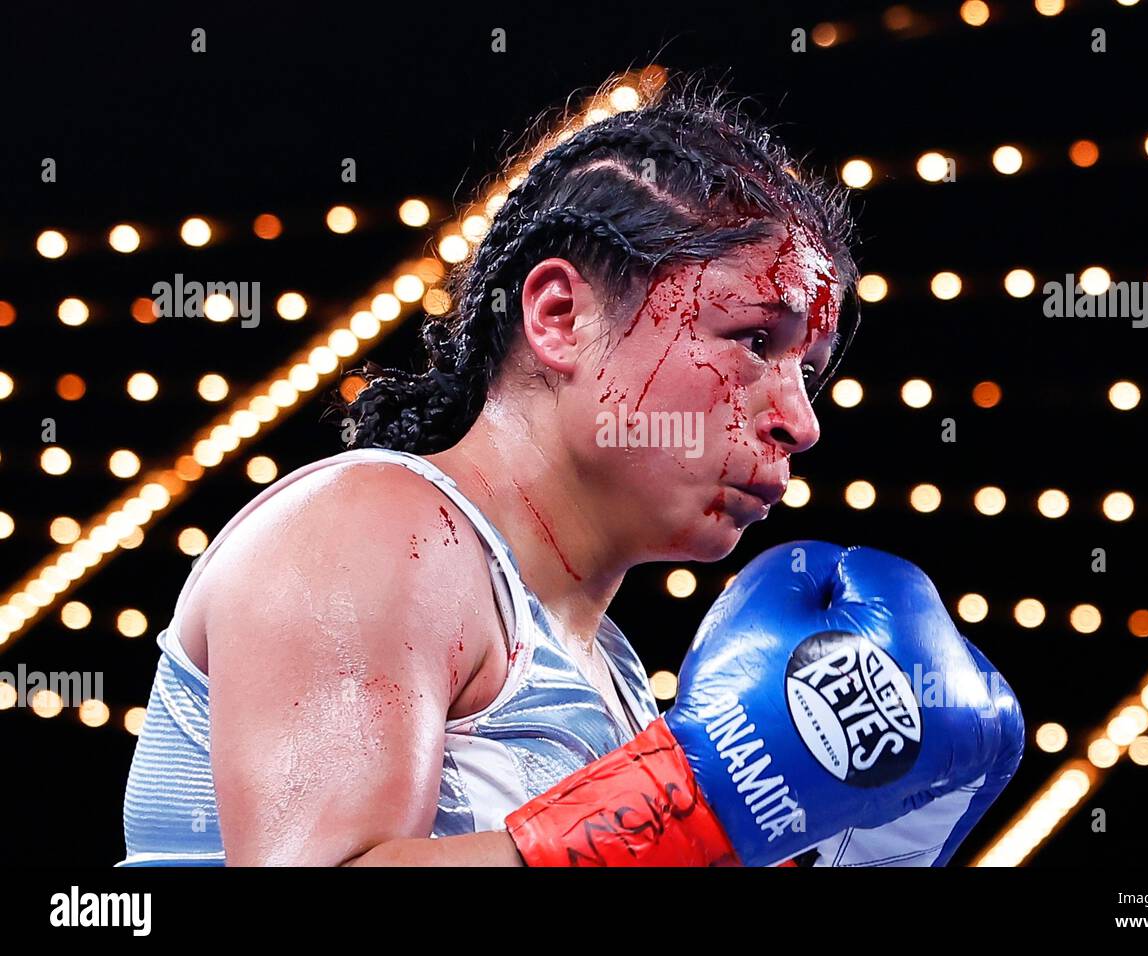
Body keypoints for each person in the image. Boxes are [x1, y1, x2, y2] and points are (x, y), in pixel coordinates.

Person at [120, 78, 1020, 867]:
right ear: (561, 316)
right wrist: (694, 805)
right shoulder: (375, 526)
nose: (800, 419)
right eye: (754, 340)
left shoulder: (619, 682)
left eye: (809, 372)